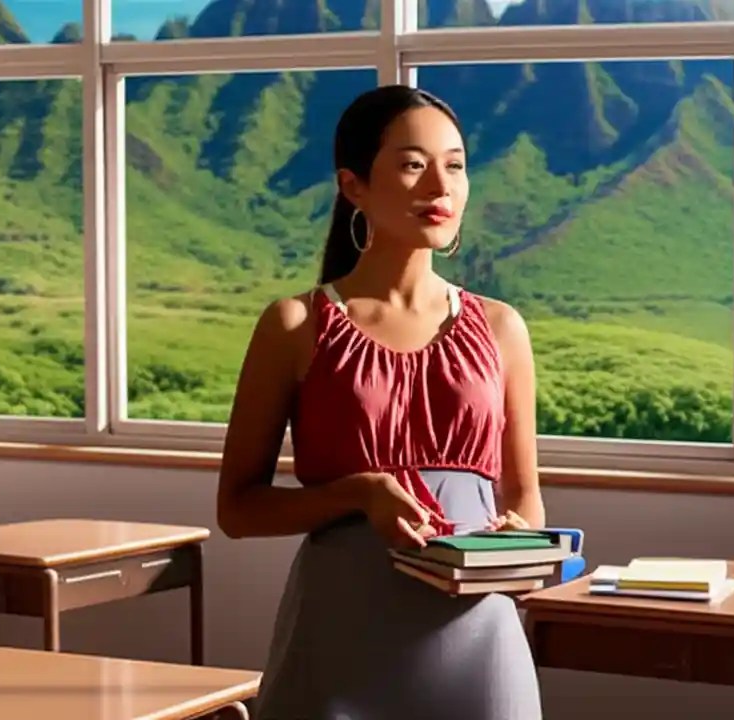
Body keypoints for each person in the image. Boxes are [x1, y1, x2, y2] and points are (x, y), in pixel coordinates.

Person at [215, 84, 547, 720]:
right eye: (413, 163)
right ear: (354, 185)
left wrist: (518, 540)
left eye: (454, 165)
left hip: (480, 638)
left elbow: (524, 497)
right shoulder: (294, 325)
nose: (439, 186)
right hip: (341, 633)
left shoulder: (503, 328)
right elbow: (238, 509)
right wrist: (359, 493)